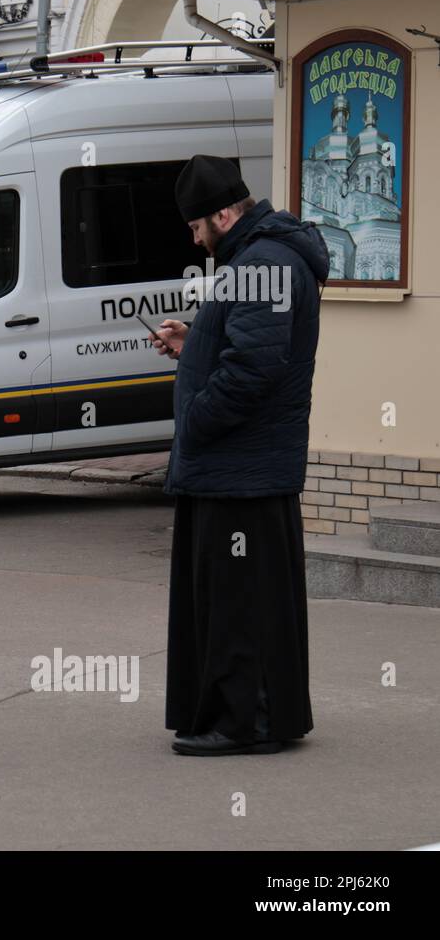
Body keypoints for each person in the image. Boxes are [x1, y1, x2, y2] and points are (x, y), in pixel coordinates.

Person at [149, 154, 328, 756]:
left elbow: (252, 370)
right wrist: (195, 339)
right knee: (240, 597)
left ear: (225, 213)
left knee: (237, 602)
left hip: (239, 469)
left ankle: (242, 722)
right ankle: (248, 716)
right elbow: (245, 342)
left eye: (199, 226)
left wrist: (194, 423)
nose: (196, 240)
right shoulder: (261, 261)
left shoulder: (265, 264)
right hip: (241, 468)